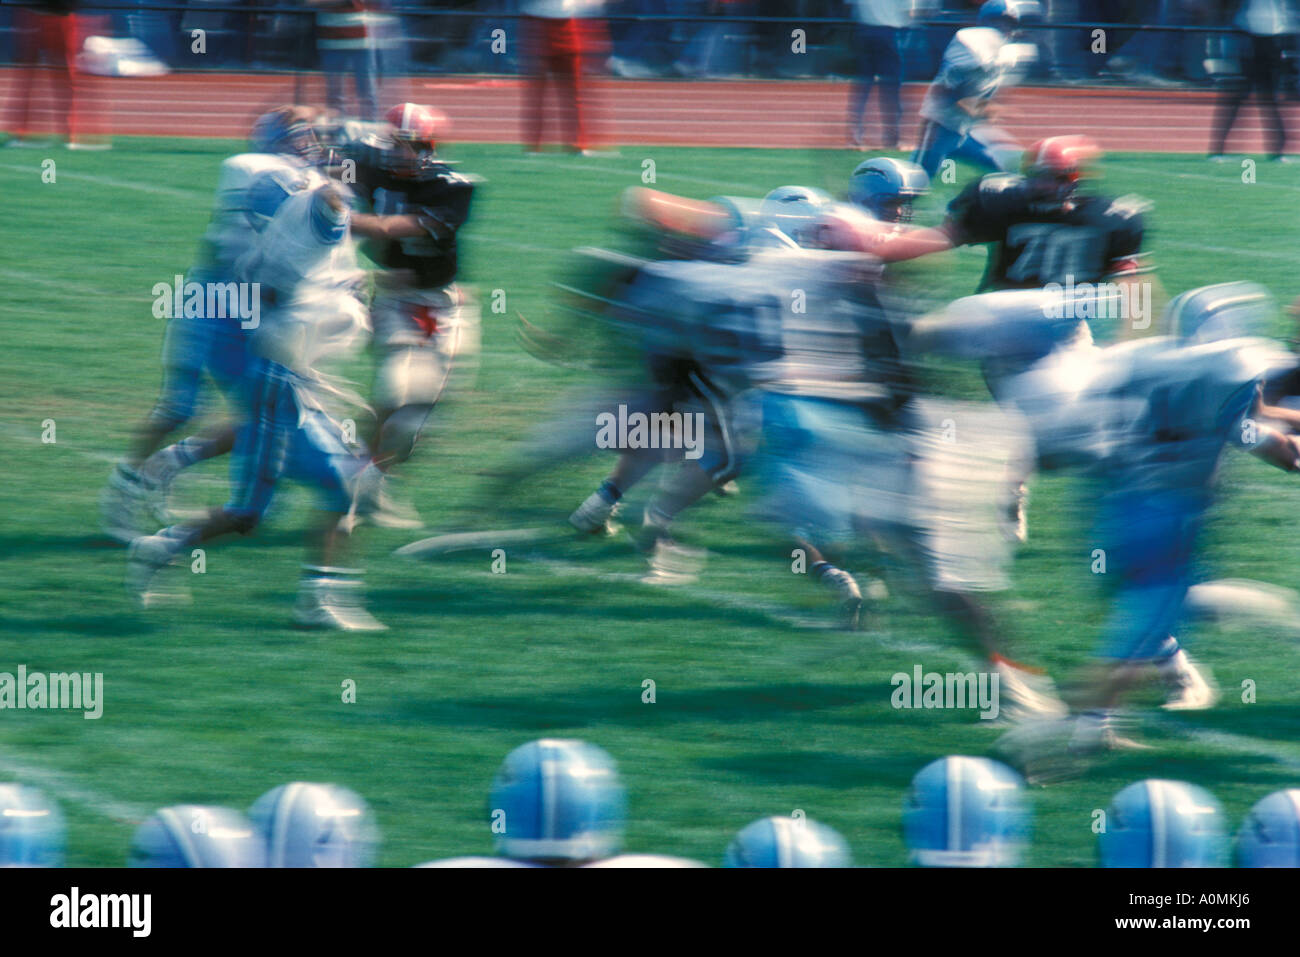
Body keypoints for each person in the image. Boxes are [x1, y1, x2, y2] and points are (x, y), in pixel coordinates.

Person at [1208, 0, 1294, 161]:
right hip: (1249, 35)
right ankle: (1218, 150)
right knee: (1237, 98)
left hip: (1271, 37)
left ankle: (1277, 151)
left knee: (1268, 99)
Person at [847, 0, 912, 150]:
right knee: (891, 88)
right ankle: (892, 139)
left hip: (864, 30)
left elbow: (850, 7)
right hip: (889, 32)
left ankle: (856, 137)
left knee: (863, 86)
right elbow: (908, 12)